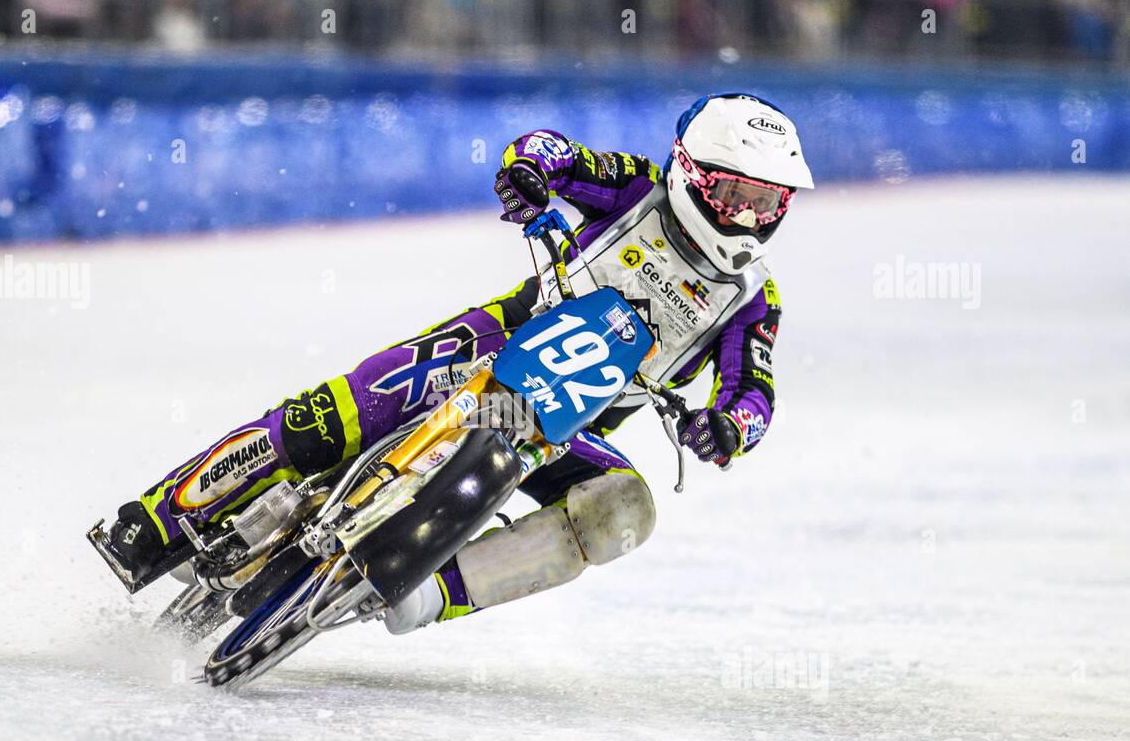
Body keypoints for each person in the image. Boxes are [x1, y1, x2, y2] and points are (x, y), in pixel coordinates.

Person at [99, 93, 813, 633]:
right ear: (691, 175)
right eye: (735, 196)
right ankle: (158, 519)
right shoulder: (636, 190)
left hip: (564, 425)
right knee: (334, 414)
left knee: (624, 507)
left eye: (766, 202)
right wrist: (529, 171)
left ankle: (427, 592)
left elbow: (754, 390)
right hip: (493, 342)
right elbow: (553, 151)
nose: (748, 218)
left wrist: (728, 428)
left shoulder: (754, 299)